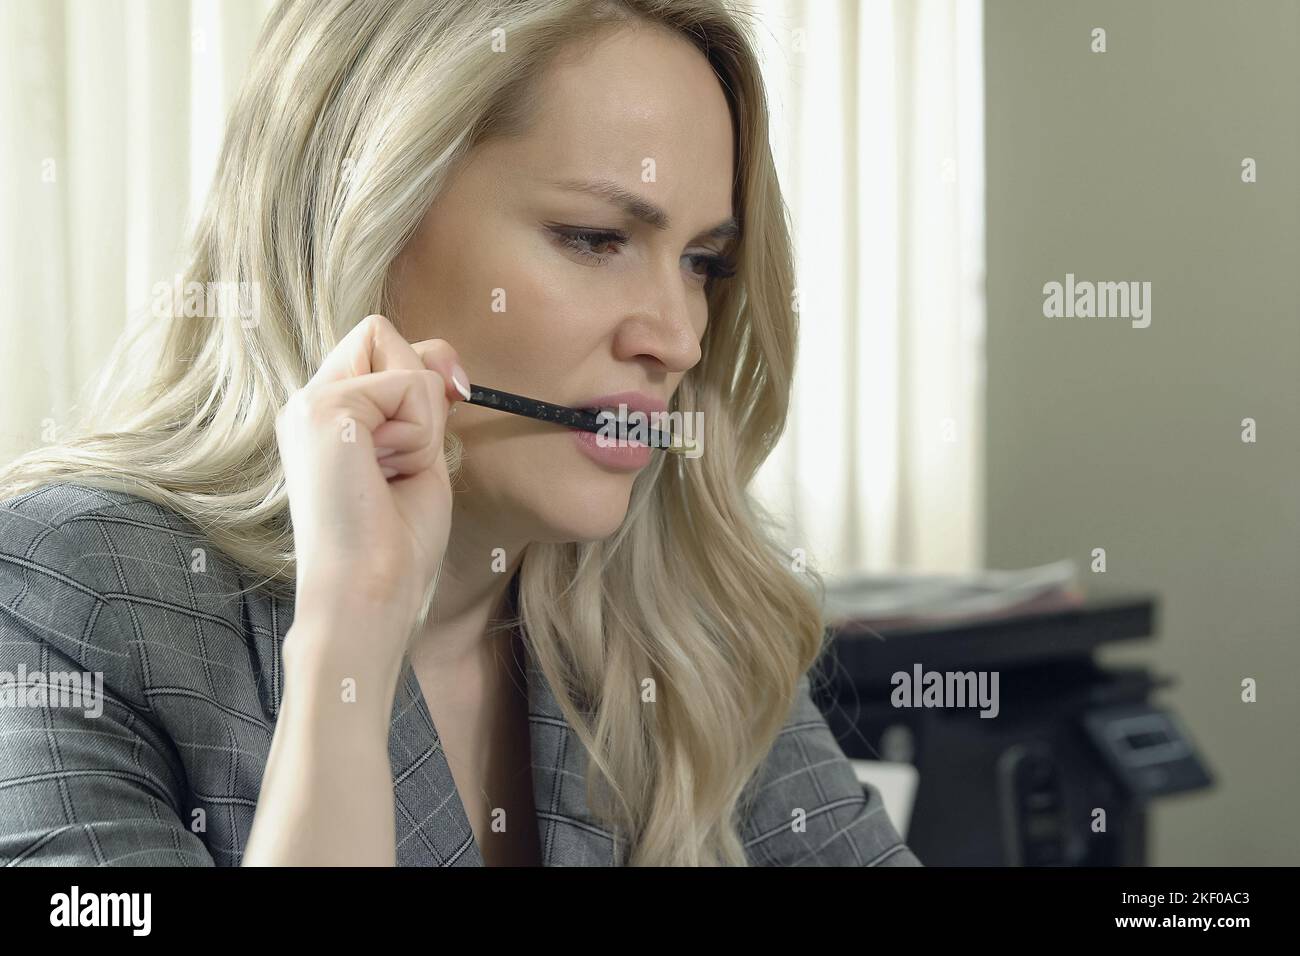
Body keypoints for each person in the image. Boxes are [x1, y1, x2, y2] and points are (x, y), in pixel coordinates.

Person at [0, 0, 920, 867]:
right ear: (365, 223)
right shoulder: (71, 597)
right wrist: (348, 643)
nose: (678, 338)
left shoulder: (678, 611)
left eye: (703, 263)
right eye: (594, 237)